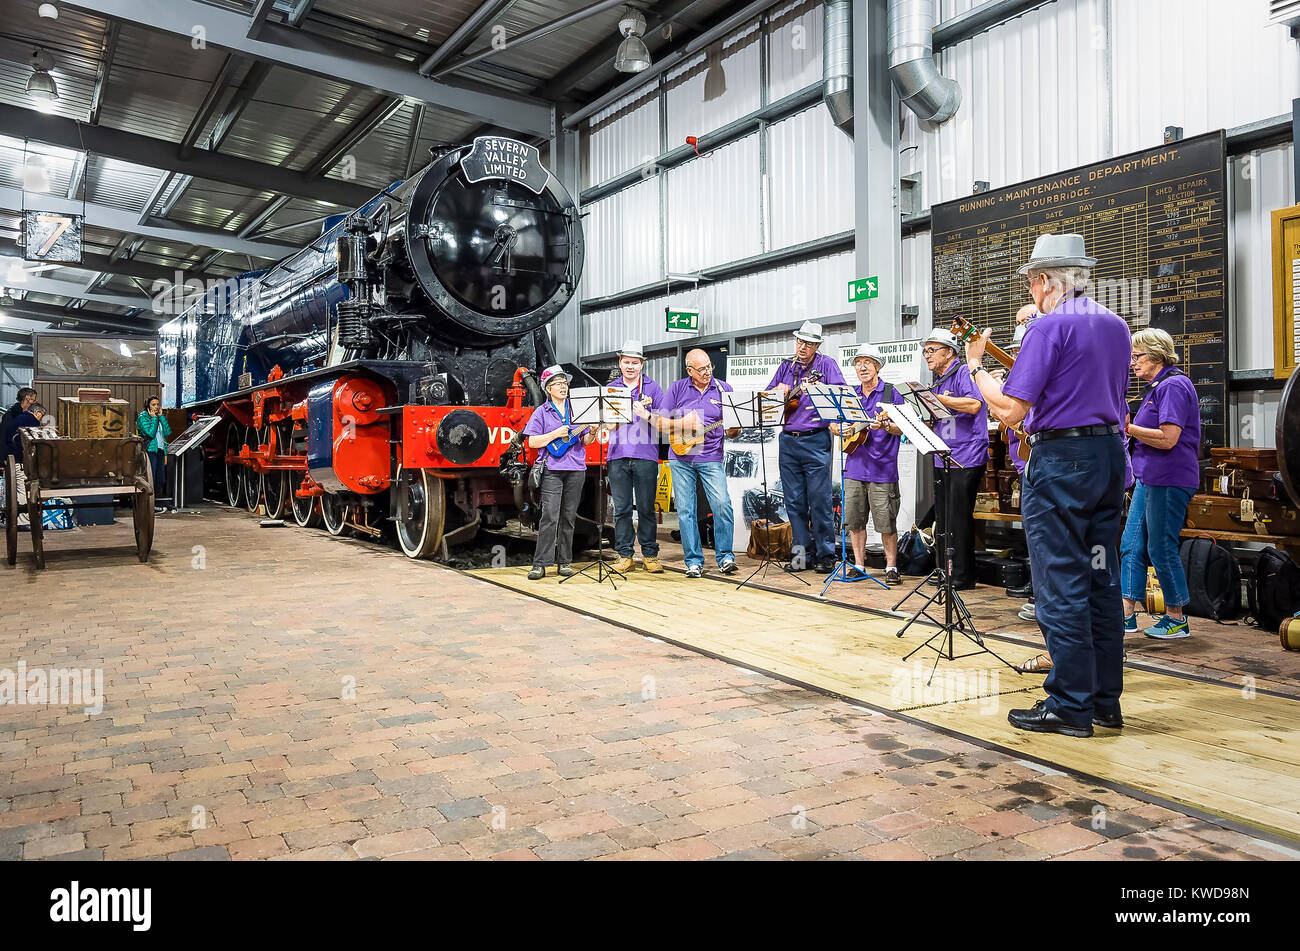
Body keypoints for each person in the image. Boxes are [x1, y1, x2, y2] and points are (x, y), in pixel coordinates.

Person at [968, 232, 1132, 738]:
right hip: (1109, 459)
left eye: (1033, 282)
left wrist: (975, 365)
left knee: (1060, 581)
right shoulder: (1117, 324)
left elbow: (1012, 408)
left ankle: (1068, 704)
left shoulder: (1048, 326)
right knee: (1101, 579)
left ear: (1043, 281)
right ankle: (1104, 701)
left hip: (1063, 462)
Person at [1121, 328, 1201, 640]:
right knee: (1131, 543)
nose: (1132, 363)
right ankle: (1126, 614)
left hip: (1170, 477)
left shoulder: (1174, 386)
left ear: (1156, 356)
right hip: (1149, 476)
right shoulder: (1157, 387)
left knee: (1160, 547)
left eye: (1137, 356)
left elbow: (1168, 439)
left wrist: (1129, 428)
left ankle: (1177, 617)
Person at [640, 349, 739, 578]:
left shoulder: (725, 390)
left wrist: (733, 429)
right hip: (681, 457)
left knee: (722, 505)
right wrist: (685, 424)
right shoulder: (677, 388)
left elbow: (734, 431)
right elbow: (661, 423)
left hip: (711, 457)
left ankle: (725, 557)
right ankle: (693, 561)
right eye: (702, 369)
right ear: (689, 371)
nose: (707, 372)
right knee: (686, 511)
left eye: (709, 367)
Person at [764, 320, 847, 573]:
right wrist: (776, 391)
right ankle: (801, 555)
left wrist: (823, 388)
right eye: (800, 341)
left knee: (820, 499)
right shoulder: (785, 366)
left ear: (817, 345)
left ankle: (826, 554)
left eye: (809, 343)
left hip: (815, 438)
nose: (802, 347)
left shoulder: (826, 365)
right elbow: (766, 400)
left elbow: (843, 392)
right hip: (788, 439)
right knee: (793, 502)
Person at [922, 327, 989, 590]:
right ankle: (944, 570)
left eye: (932, 350)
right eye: (925, 350)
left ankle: (961, 575)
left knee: (958, 517)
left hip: (966, 455)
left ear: (949, 352)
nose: (927, 355)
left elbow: (975, 404)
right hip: (942, 455)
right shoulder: (936, 380)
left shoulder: (963, 372)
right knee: (943, 518)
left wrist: (938, 399)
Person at [834, 343, 905, 584]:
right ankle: (859, 564)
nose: (862, 367)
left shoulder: (891, 393)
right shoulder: (850, 394)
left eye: (867, 362)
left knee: (886, 523)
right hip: (854, 467)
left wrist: (885, 425)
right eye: (857, 363)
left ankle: (891, 567)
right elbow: (835, 424)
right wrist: (840, 429)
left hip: (883, 469)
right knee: (855, 521)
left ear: (877, 366)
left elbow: (903, 427)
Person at [524, 366, 596, 580]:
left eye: (565, 383)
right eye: (558, 383)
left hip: (576, 469)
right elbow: (532, 441)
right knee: (550, 516)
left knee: (569, 516)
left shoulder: (577, 410)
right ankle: (541, 563)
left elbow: (585, 441)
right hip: (552, 469)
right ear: (548, 388)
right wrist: (554, 433)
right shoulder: (541, 412)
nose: (563, 387)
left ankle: (564, 561)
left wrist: (592, 431)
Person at [605, 340, 666, 575]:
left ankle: (650, 555)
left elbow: (663, 424)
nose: (630, 366)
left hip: (645, 455)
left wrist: (646, 415)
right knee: (621, 509)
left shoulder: (653, 388)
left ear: (641, 364)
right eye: (626, 362)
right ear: (620, 363)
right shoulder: (612, 388)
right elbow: (607, 424)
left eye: (635, 362)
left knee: (646, 508)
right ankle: (625, 555)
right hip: (617, 455)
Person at [137, 397, 172, 515]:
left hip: (160, 450)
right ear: (148, 406)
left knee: (161, 479)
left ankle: (154, 502)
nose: (156, 407)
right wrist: (154, 419)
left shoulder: (158, 417)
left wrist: (161, 417)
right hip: (150, 451)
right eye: (153, 405)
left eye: (158, 404)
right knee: (151, 478)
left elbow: (168, 432)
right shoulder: (143, 417)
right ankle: (149, 505)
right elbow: (150, 433)